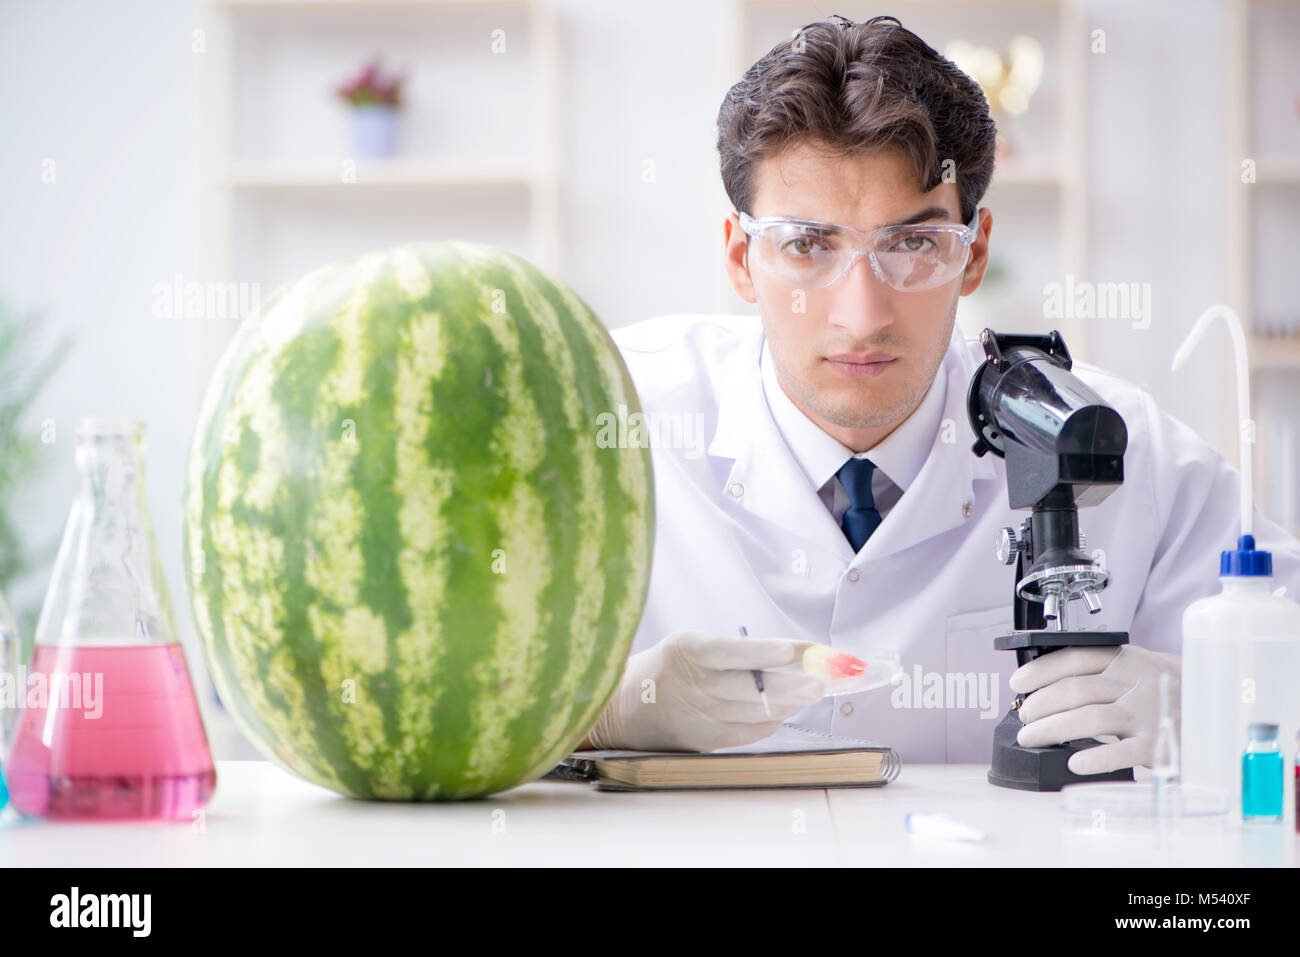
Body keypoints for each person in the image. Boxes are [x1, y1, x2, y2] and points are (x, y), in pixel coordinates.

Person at [579, 15, 1300, 774]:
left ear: (974, 251)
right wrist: (603, 713)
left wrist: (1223, 707)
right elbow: (447, 706)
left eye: (913, 244)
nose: (861, 314)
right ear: (739, 256)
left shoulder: (1111, 443)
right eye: (806, 245)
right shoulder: (614, 421)